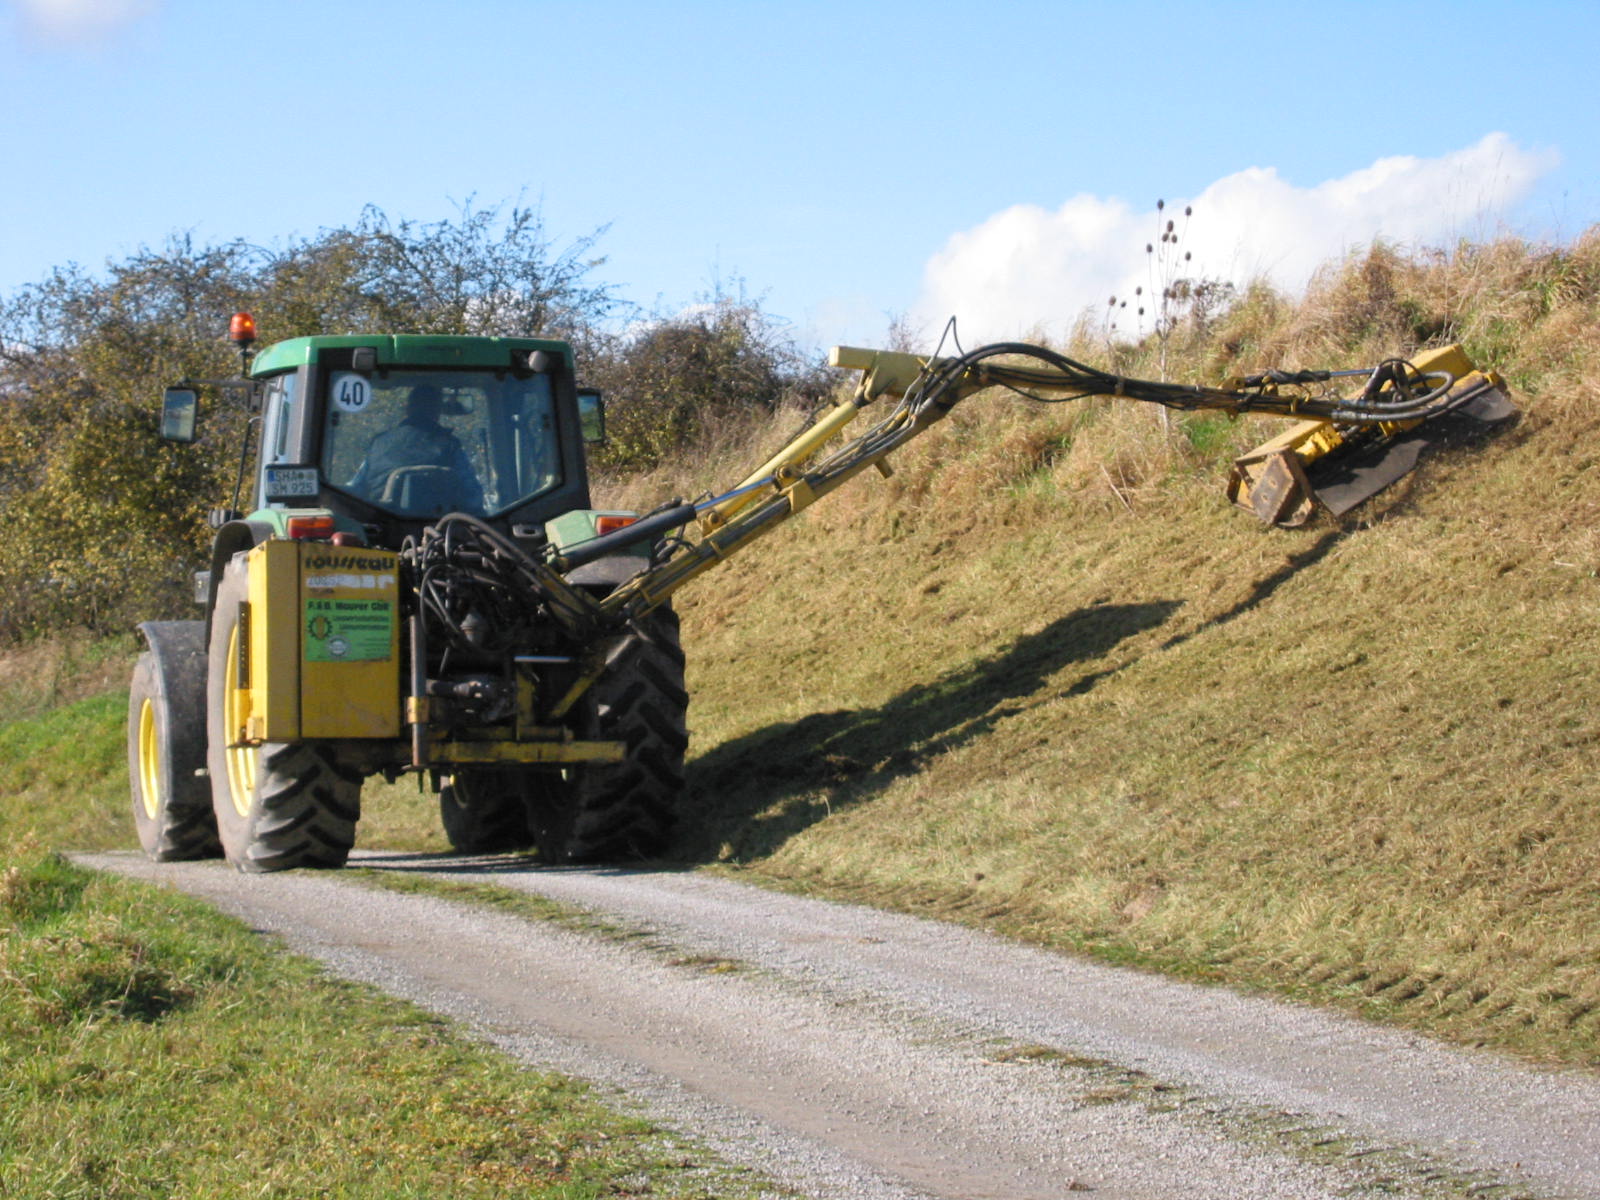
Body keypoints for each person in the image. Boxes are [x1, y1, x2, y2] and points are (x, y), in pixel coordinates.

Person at [349, 383, 484, 513]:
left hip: (383, 526)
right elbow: (473, 497)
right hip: (442, 528)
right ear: (437, 410)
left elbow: (355, 489)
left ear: (408, 409)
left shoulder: (379, 443)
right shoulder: (450, 445)